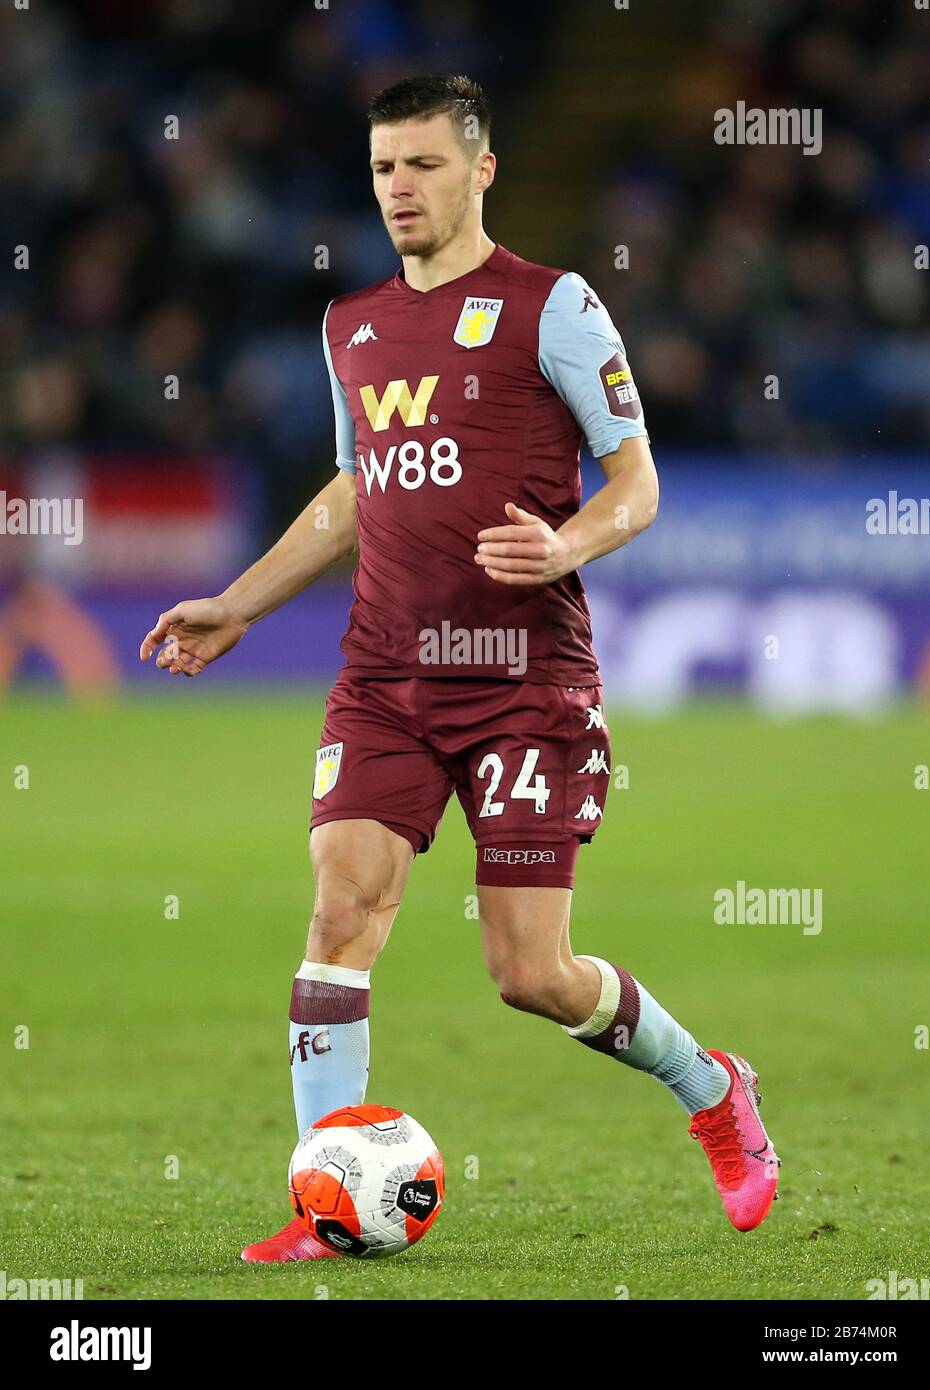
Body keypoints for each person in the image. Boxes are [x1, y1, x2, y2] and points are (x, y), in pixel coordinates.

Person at [140, 75, 779, 1260]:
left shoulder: (556, 305)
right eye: (384, 168)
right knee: (339, 911)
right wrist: (234, 603)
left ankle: (710, 1086)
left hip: (524, 685)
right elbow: (350, 495)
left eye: (423, 165)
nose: (399, 189)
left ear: (479, 169)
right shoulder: (351, 326)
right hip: (383, 674)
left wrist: (564, 543)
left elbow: (635, 483)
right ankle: (327, 1206)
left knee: (529, 973)